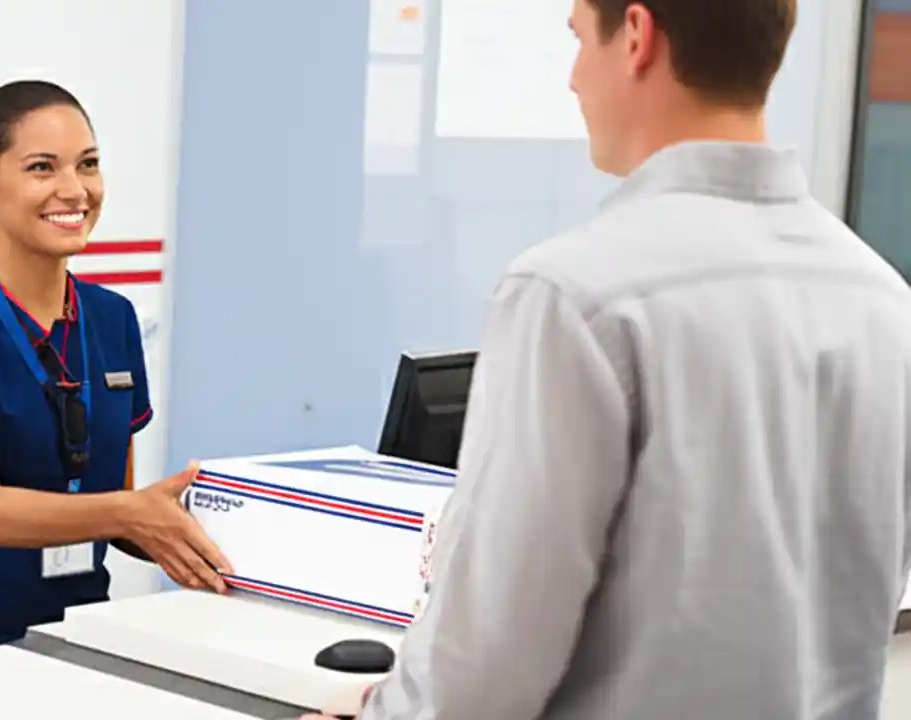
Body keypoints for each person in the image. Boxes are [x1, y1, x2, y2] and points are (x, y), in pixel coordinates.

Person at [315, 0, 911, 717]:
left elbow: (490, 658)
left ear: (635, 36)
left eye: (576, 40)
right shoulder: (882, 297)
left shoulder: (577, 292)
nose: (571, 79)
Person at [0, 80, 231, 666]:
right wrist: (129, 511)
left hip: (80, 643)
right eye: (43, 168)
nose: (74, 189)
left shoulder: (112, 318)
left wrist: (213, 531)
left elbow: (111, 506)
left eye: (87, 164)